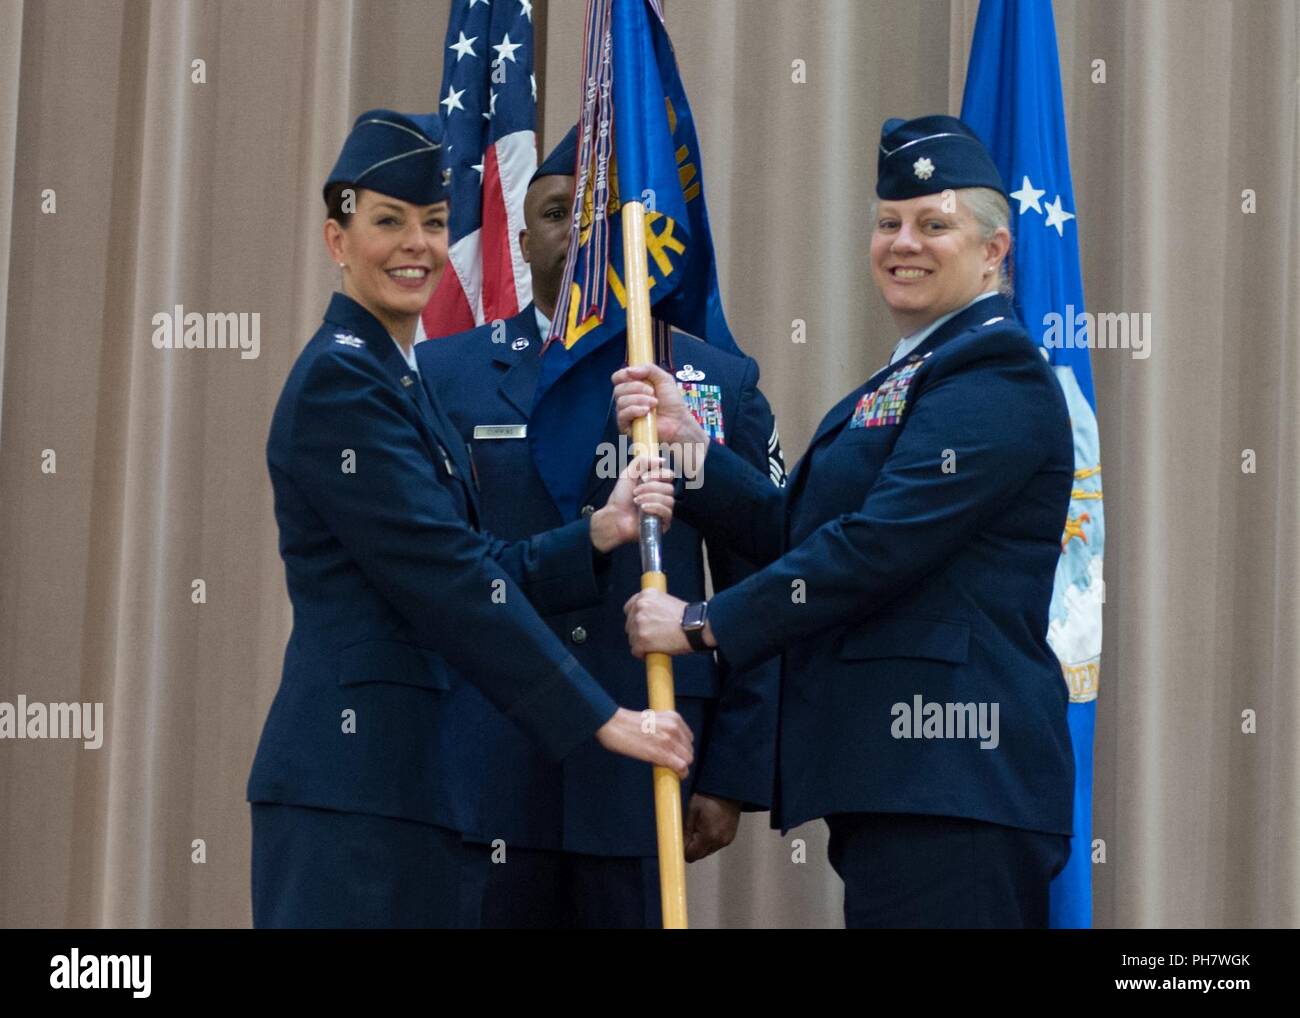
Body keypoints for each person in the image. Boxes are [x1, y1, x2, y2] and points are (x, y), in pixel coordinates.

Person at [617, 115, 1075, 929]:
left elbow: (876, 547)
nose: (905, 242)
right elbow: (798, 527)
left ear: (995, 250)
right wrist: (690, 452)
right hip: (901, 784)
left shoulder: (994, 373)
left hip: (955, 785)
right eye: (889, 221)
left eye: (936, 224)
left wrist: (701, 623)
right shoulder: (914, 371)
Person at [246, 109, 693, 929]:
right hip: (353, 791)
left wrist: (599, 531)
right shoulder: (343, 386)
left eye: (434, 223)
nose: (416, 245)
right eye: (388, 221)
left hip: (415, 788)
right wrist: (602, 716)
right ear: (337, 240)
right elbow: (448, 581)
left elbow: (469, 557)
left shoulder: (401, 381)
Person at [416, 126, 785, 928]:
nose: (580, 235)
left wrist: (730, 772)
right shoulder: (446, 376)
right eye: (557, 214)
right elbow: (429, 571)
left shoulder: (710, 381)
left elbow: (765, 576)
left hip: (650, 766)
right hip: (487, 764)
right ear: (520, 239)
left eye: (602, 217)